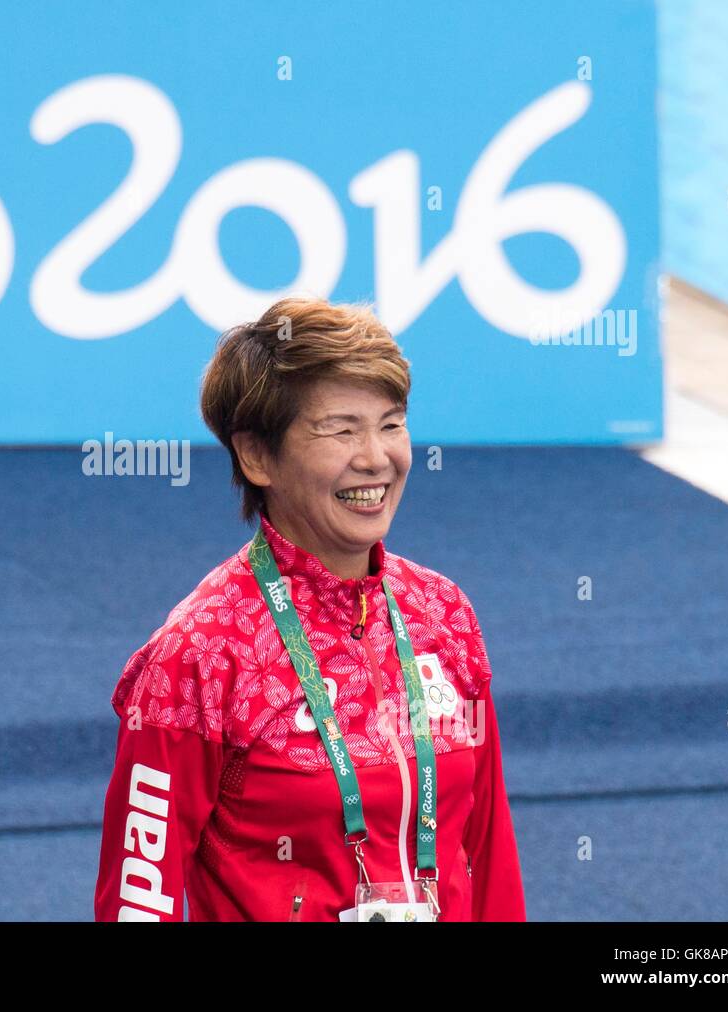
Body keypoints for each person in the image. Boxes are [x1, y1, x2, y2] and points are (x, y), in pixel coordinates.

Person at [93, 296, 525, 922]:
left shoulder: (443, 613)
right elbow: (138, 900)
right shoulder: (201, 653)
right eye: (341, 428)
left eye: (391, 423)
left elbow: (486, 847)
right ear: (256, 456)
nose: (376, 457)